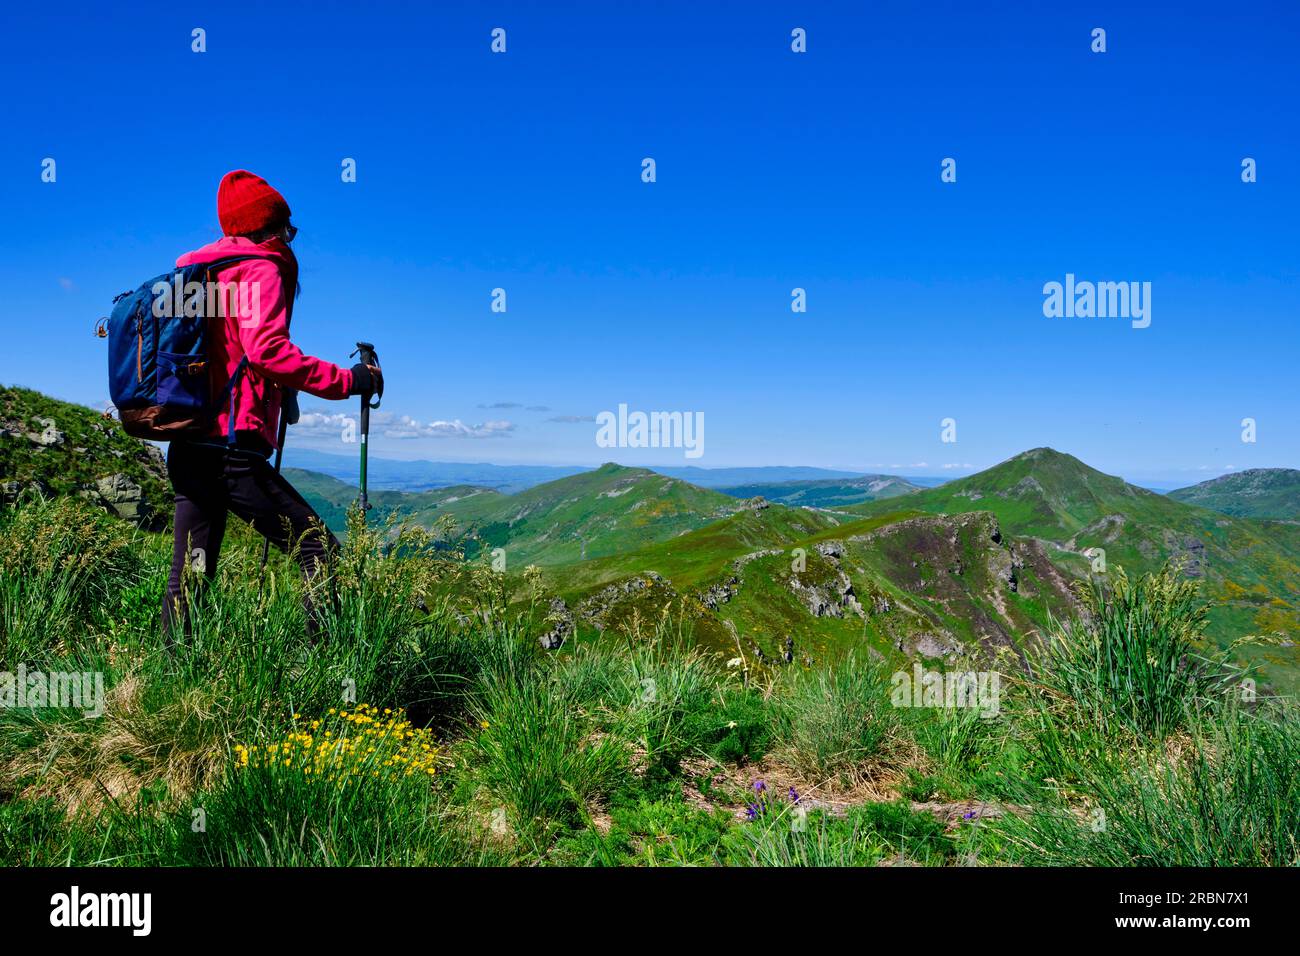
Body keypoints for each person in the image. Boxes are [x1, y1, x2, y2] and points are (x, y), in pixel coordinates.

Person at [161, 169, 381, 643]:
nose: (291, 238)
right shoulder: (260, 265)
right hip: (231, 448)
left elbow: (227, 353)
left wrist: (282, 394)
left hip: (187, 441)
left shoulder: (196, 272)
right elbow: (265, 350)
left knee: (192, 571)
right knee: (317, 550)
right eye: (289, 228)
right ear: (273, 227)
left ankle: (175, 682)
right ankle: (325, 666)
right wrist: (349, 380)